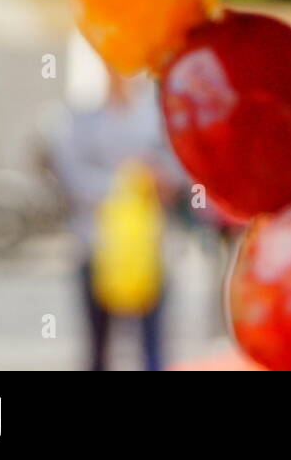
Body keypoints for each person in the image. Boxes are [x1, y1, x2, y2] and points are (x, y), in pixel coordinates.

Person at [48, 70, 178, 371]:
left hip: (149, 249)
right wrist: (124, 183)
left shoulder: (154, 121)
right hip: (96, 246)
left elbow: (174, 175)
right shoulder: (82, 121)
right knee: (97, 347)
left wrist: (155, 180)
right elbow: (71, 176)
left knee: (152, 347)